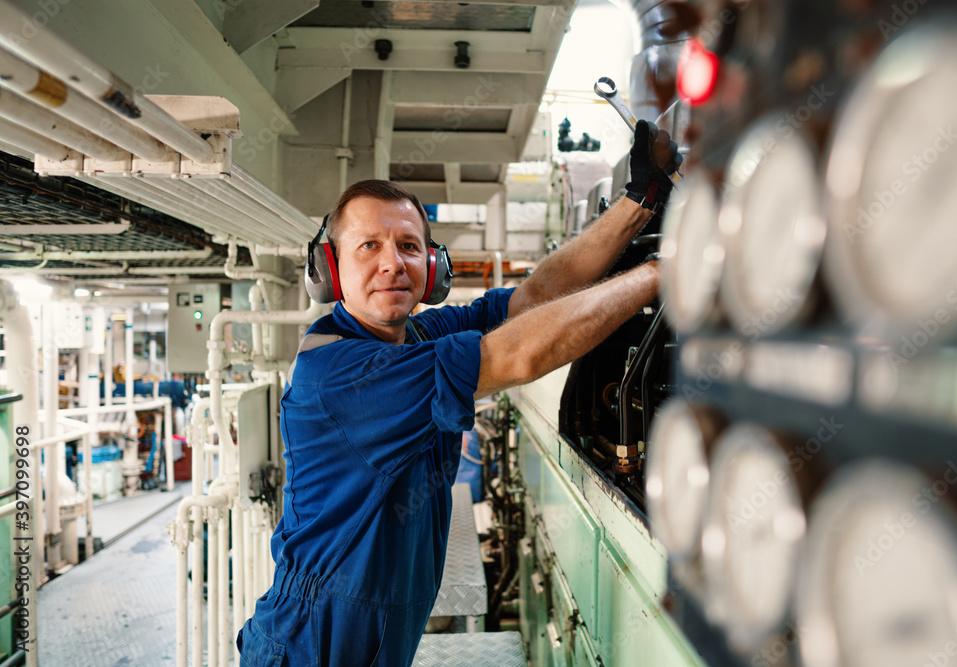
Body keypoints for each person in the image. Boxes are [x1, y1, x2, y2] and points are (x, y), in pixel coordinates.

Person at [237, 120, 679, 666]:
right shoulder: (341, 371)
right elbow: (519, 355)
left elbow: (537, 296)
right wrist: (663, 271)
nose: (391, 263)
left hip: (370, 640)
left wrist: (640, 201)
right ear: (329, 268)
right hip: (314, 645)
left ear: (432, 268)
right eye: (368, 247)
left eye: (408, 246)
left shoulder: (417, 334)